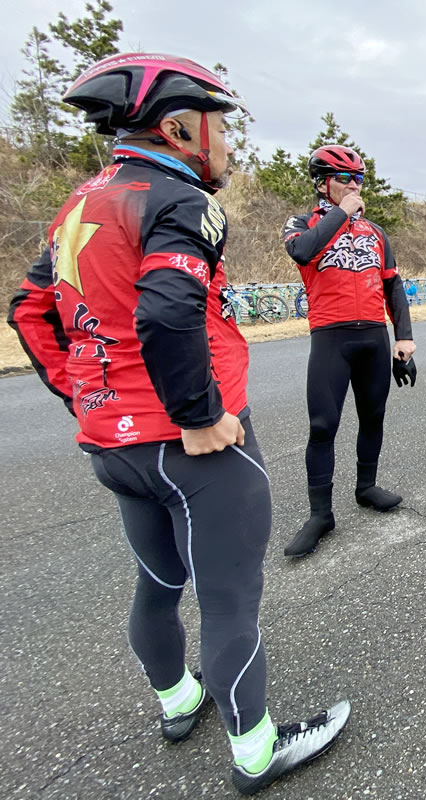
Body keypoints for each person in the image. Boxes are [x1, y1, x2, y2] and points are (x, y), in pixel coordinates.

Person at [7, 52, 348, 795]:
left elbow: (28, 311)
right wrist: (196, 416)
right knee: (229, 598)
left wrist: (87, 398)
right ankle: (256, 750)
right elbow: (167, 309)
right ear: (177, 126)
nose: (227, 143)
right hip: (191, 445)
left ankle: (177, 701)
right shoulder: (180, 199)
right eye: (220, 126)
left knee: (157, 583)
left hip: (113, 443)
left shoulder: (79, 204)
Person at [281, 145, 416, 558]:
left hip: (374, 336)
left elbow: (393, 285)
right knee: (323, 425)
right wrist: (341, 213)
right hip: (331, 337)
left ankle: (366, 486)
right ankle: (320, 514)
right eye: (344, 179)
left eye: (358, 179)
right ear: (323, 184)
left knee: (373, 416)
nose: (354, 185)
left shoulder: (375, 233)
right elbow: (303, 251)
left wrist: (404, 337)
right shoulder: (303, 223)